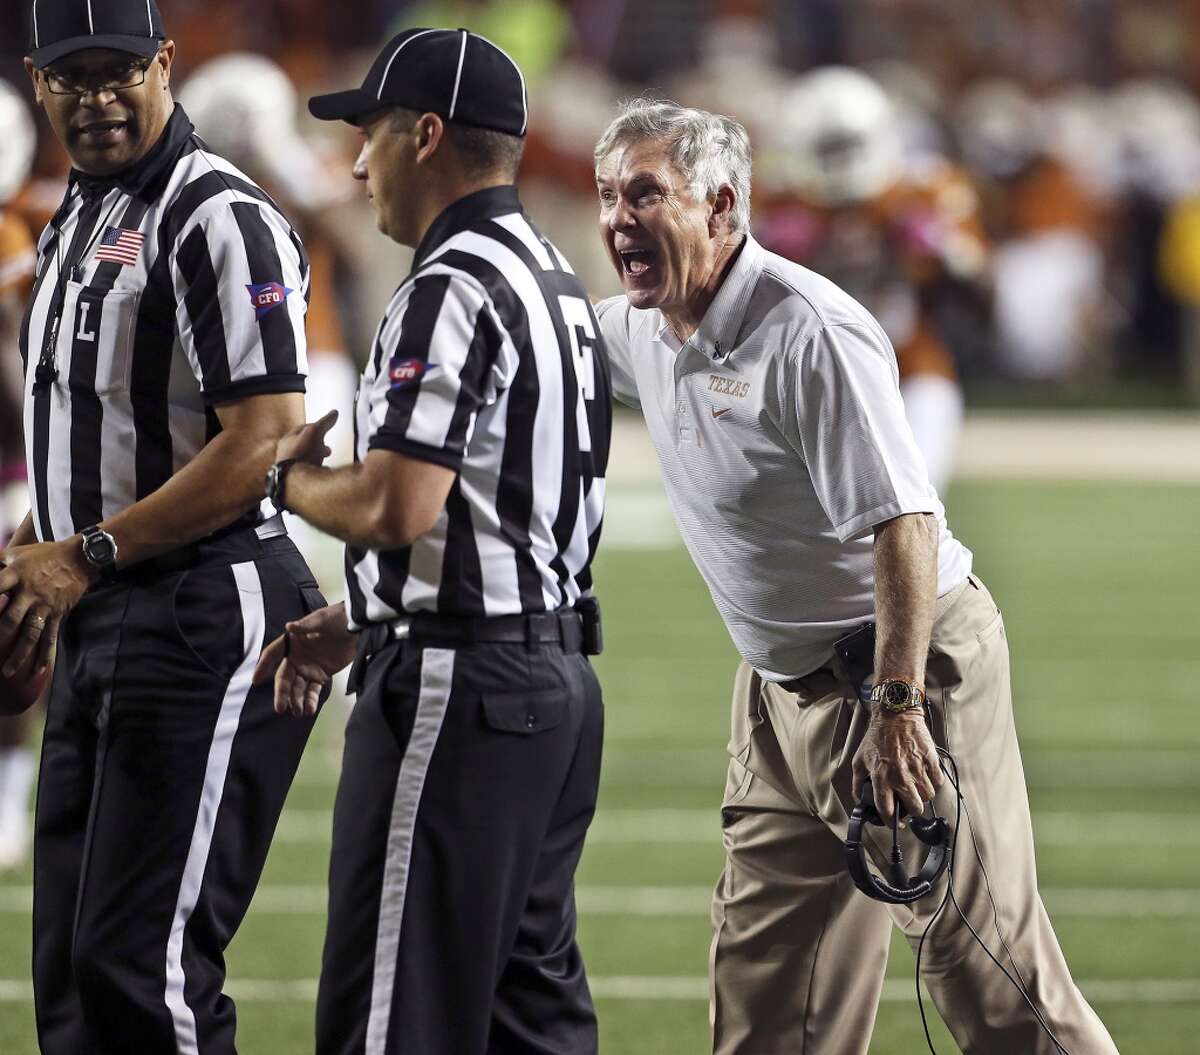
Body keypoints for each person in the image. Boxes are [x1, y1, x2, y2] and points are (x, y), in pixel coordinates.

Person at [592, 100, 1118, 1055]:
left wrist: (897, 702)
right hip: (778, 691)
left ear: (720, 206)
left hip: (897, 678)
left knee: (995, 984)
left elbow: (906, 523)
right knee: (768, 1004)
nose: (618, 218)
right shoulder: (647, 327)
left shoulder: (808, 329)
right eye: (606, 197)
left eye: (643, 195)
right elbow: (541, 331)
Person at [250, 28, 612, 1055]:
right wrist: (363, 613)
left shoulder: (450, 283)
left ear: (426, 132)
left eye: (368, 131)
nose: (357, 161)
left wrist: (286, 477)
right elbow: (494, 514)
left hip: (463, 686)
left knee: (392, 1021)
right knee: (525, 1022)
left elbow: (399, 505)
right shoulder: (549, 272)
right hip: (551, 682)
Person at [1, 1, 326, 1050]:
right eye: (72, 77)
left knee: (146, 967)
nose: (96, 99)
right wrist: (35, 547)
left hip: (200, 607)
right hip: (106, 606)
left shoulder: (215, 214)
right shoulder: (79, 213)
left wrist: (83, 552)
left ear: (165, 65)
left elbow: (265, 435)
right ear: (36, 82)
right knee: (71, 969)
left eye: (119, 72)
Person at [756, 66, 989, 496]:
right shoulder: (776, 198)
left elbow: (979, 284)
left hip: (910, 369)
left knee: (912, 501)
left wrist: (941, 245)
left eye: (846, 147)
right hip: (810, 379)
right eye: (828, 149)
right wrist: (762, 254)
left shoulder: (924, 188)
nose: (840, 162)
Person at [0, 75, 39, 872]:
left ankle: (9, 789)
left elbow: (12, 362)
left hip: (5, 465)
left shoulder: (6, 236)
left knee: (11, 638)